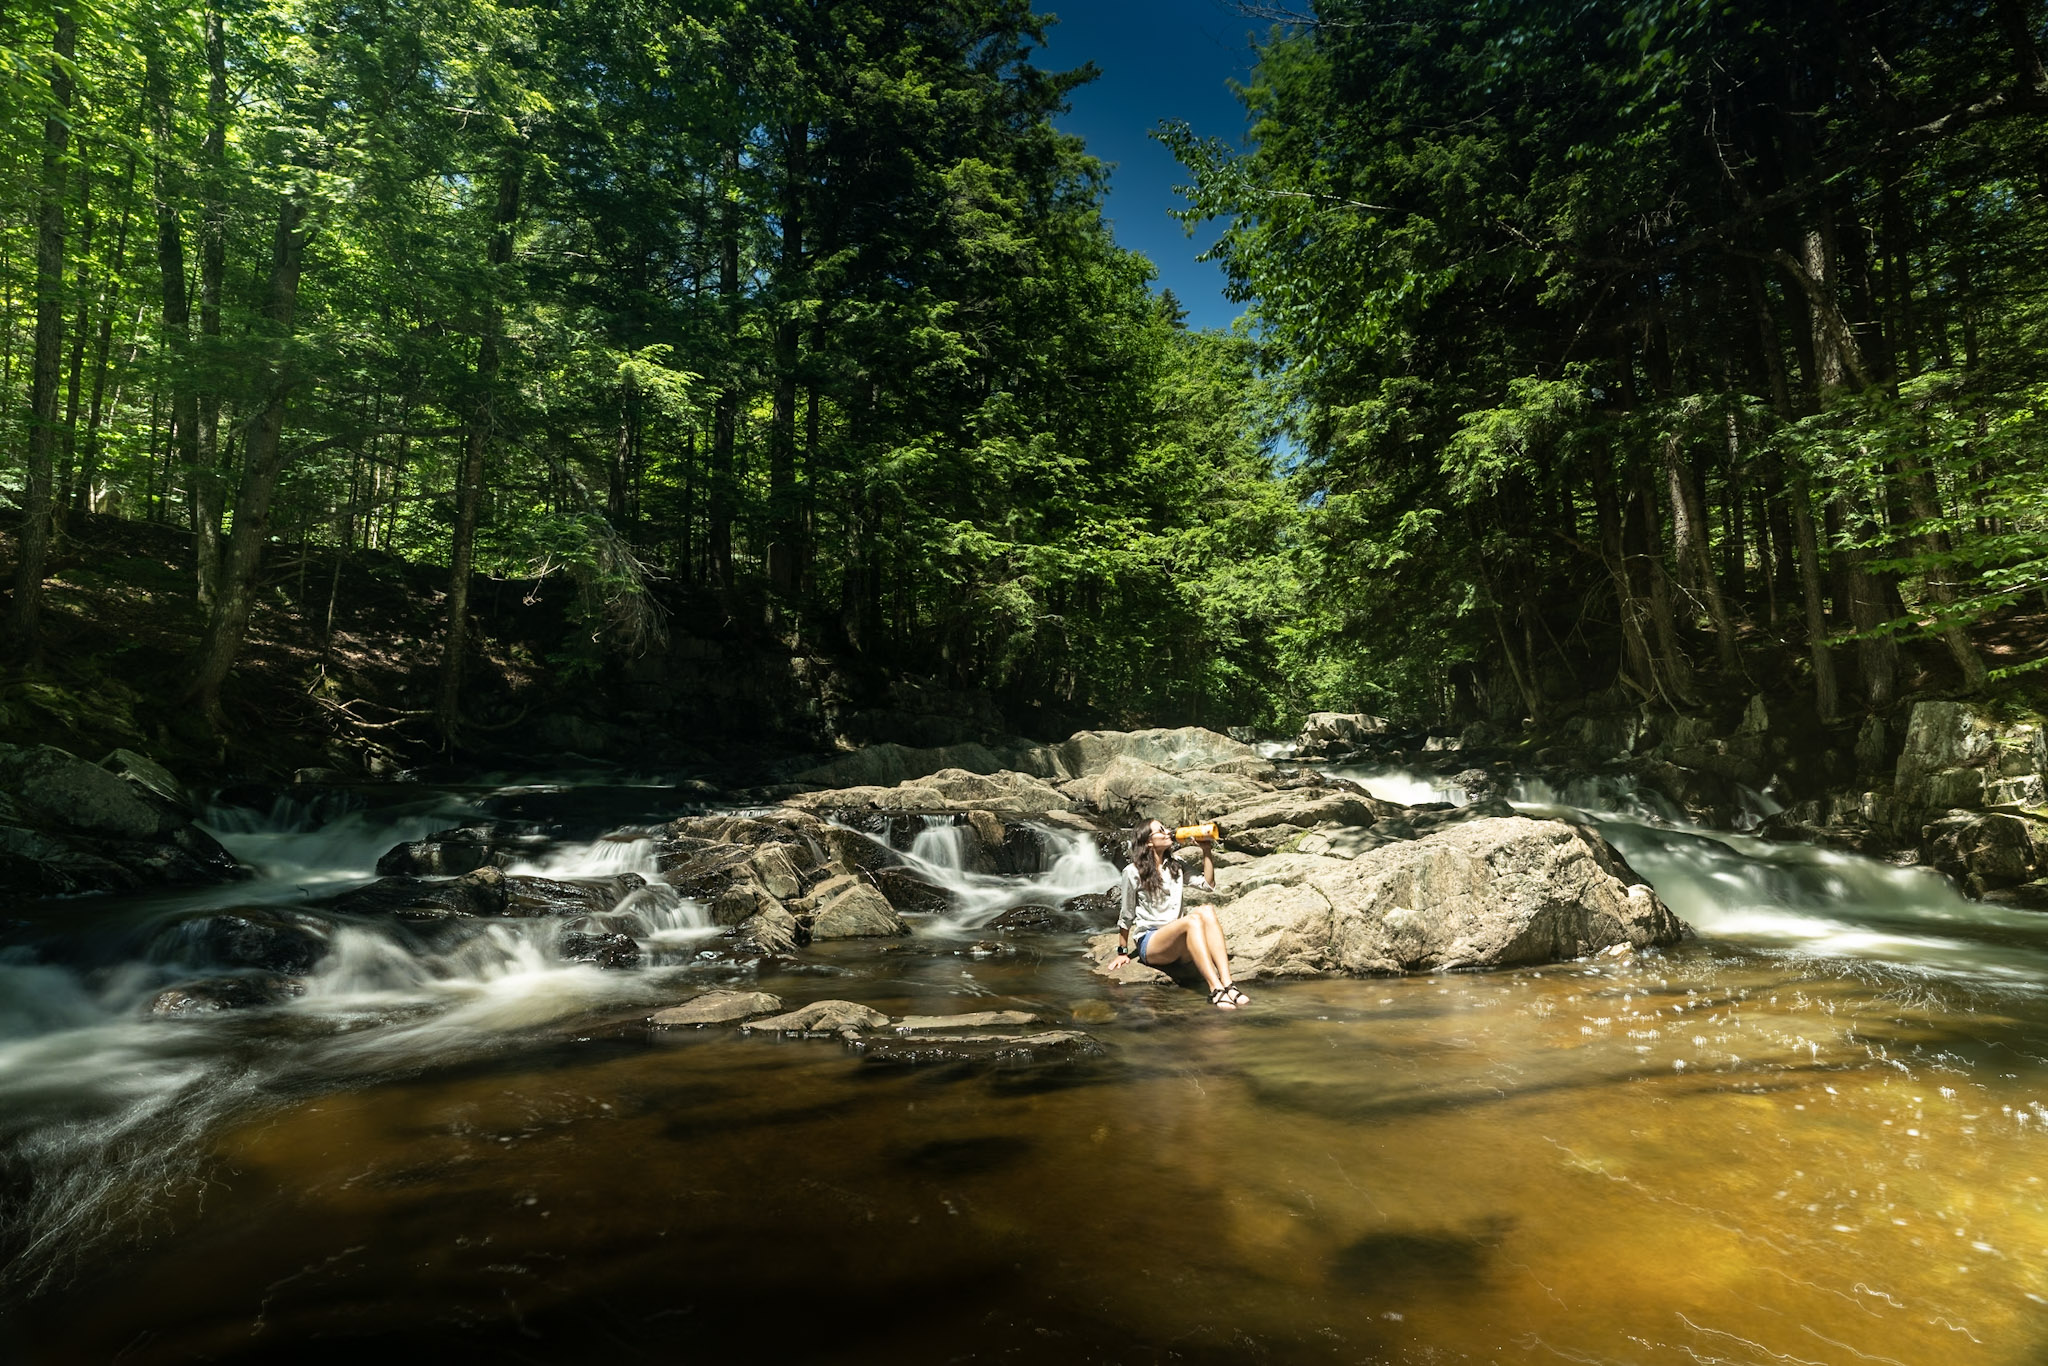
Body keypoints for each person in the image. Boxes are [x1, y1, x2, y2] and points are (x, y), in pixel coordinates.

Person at [1112, 818, 1249, 1009]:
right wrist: (1122, 952)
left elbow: (1208, 885)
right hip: (1151, 942)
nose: (1168, 831)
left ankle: (1228, 985)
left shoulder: (1176, 865)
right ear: (1149, 841)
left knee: (1207, 910)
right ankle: (1215, 989)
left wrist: (1206, 850)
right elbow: (1126, 914)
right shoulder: (1132, 872)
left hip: (1178, 940)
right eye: (1161, 830)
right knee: (1192, 920)